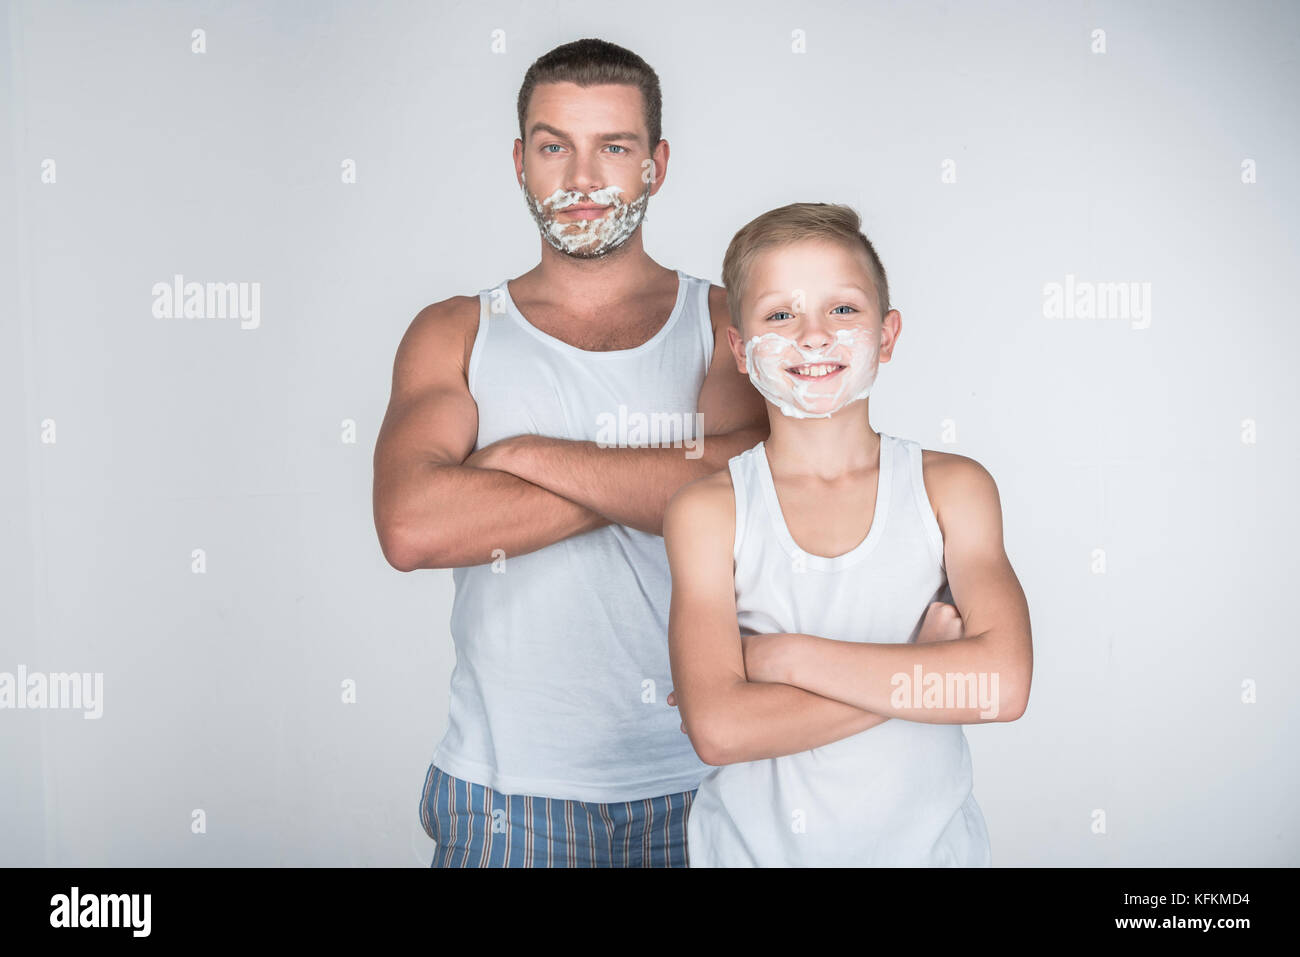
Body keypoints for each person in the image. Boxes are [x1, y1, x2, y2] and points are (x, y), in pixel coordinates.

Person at [372, 38, 768, 867]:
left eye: (613, 147)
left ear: (656, 163)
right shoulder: (456, 330)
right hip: (506, 795)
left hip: (703, 772)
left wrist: (519, 453)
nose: (583, 179)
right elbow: (412, 526)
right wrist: (664, 478)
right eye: (555, 146)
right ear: (520, 161)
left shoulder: (727, 321)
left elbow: (750, 493)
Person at [663, 202, 1033, 866]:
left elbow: (999, 687)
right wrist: (919, 668)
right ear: (742, 351)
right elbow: (719, 731)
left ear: (887, 335)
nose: (813, 337)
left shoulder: (951, 489)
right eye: (781, 314)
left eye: (842, 310)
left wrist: (779, 660)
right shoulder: (709, 512)